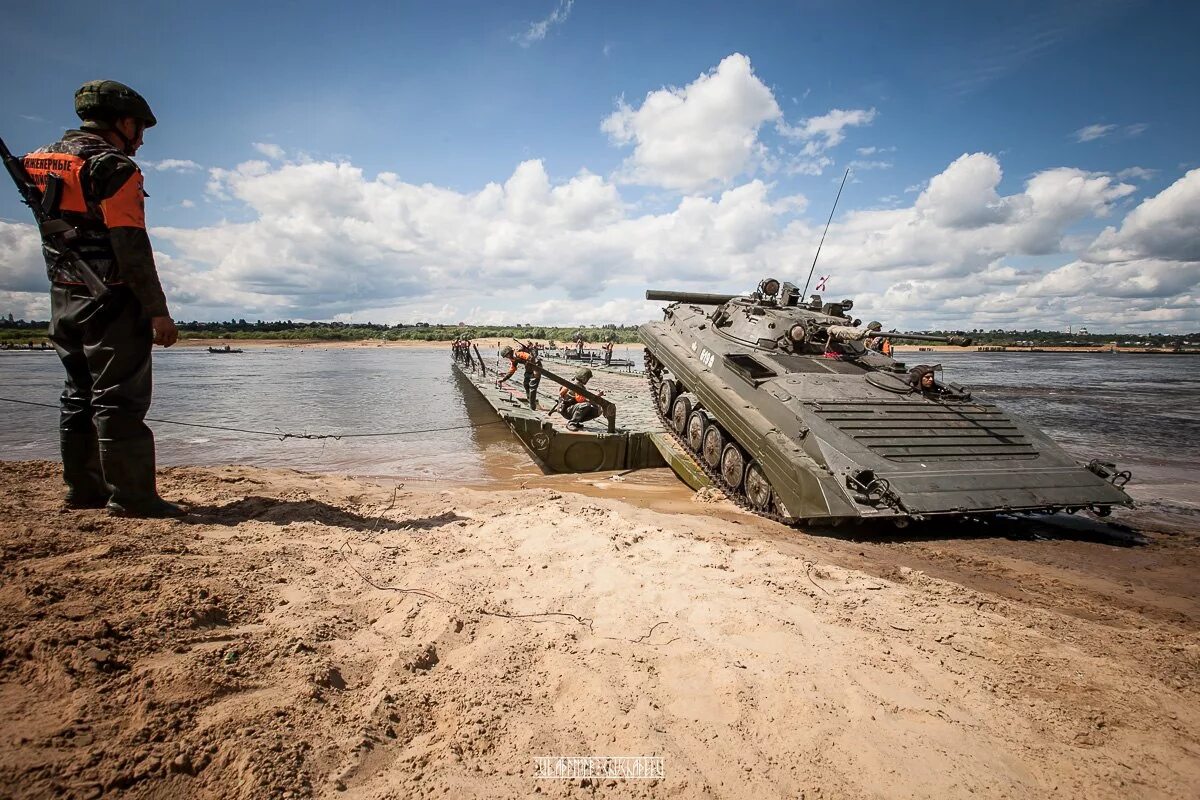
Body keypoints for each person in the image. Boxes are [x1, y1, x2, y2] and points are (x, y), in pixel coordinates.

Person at [23, 80, 184, 517]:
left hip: (63, 296)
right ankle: (132, 498)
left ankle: (84, 490)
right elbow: (131, 246)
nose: (143, 140)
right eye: (141, 129)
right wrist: (157, 311)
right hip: (111, 297)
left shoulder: (37, 161)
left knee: (77, 393)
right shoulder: (113, 167)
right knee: (120, 399)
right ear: (123, 122)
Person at [497, 345, 541, 409]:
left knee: (532, 386)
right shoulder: (513, 359)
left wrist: (534, 371)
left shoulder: (518, 353)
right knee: (526, 384)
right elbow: (512, 370)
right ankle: (530, 402)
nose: (507, 357)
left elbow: (531, 357)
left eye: (507, 355)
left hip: (536, 366)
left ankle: (532, 406)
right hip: (529, 368)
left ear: (509, 352)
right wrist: (503, 379)